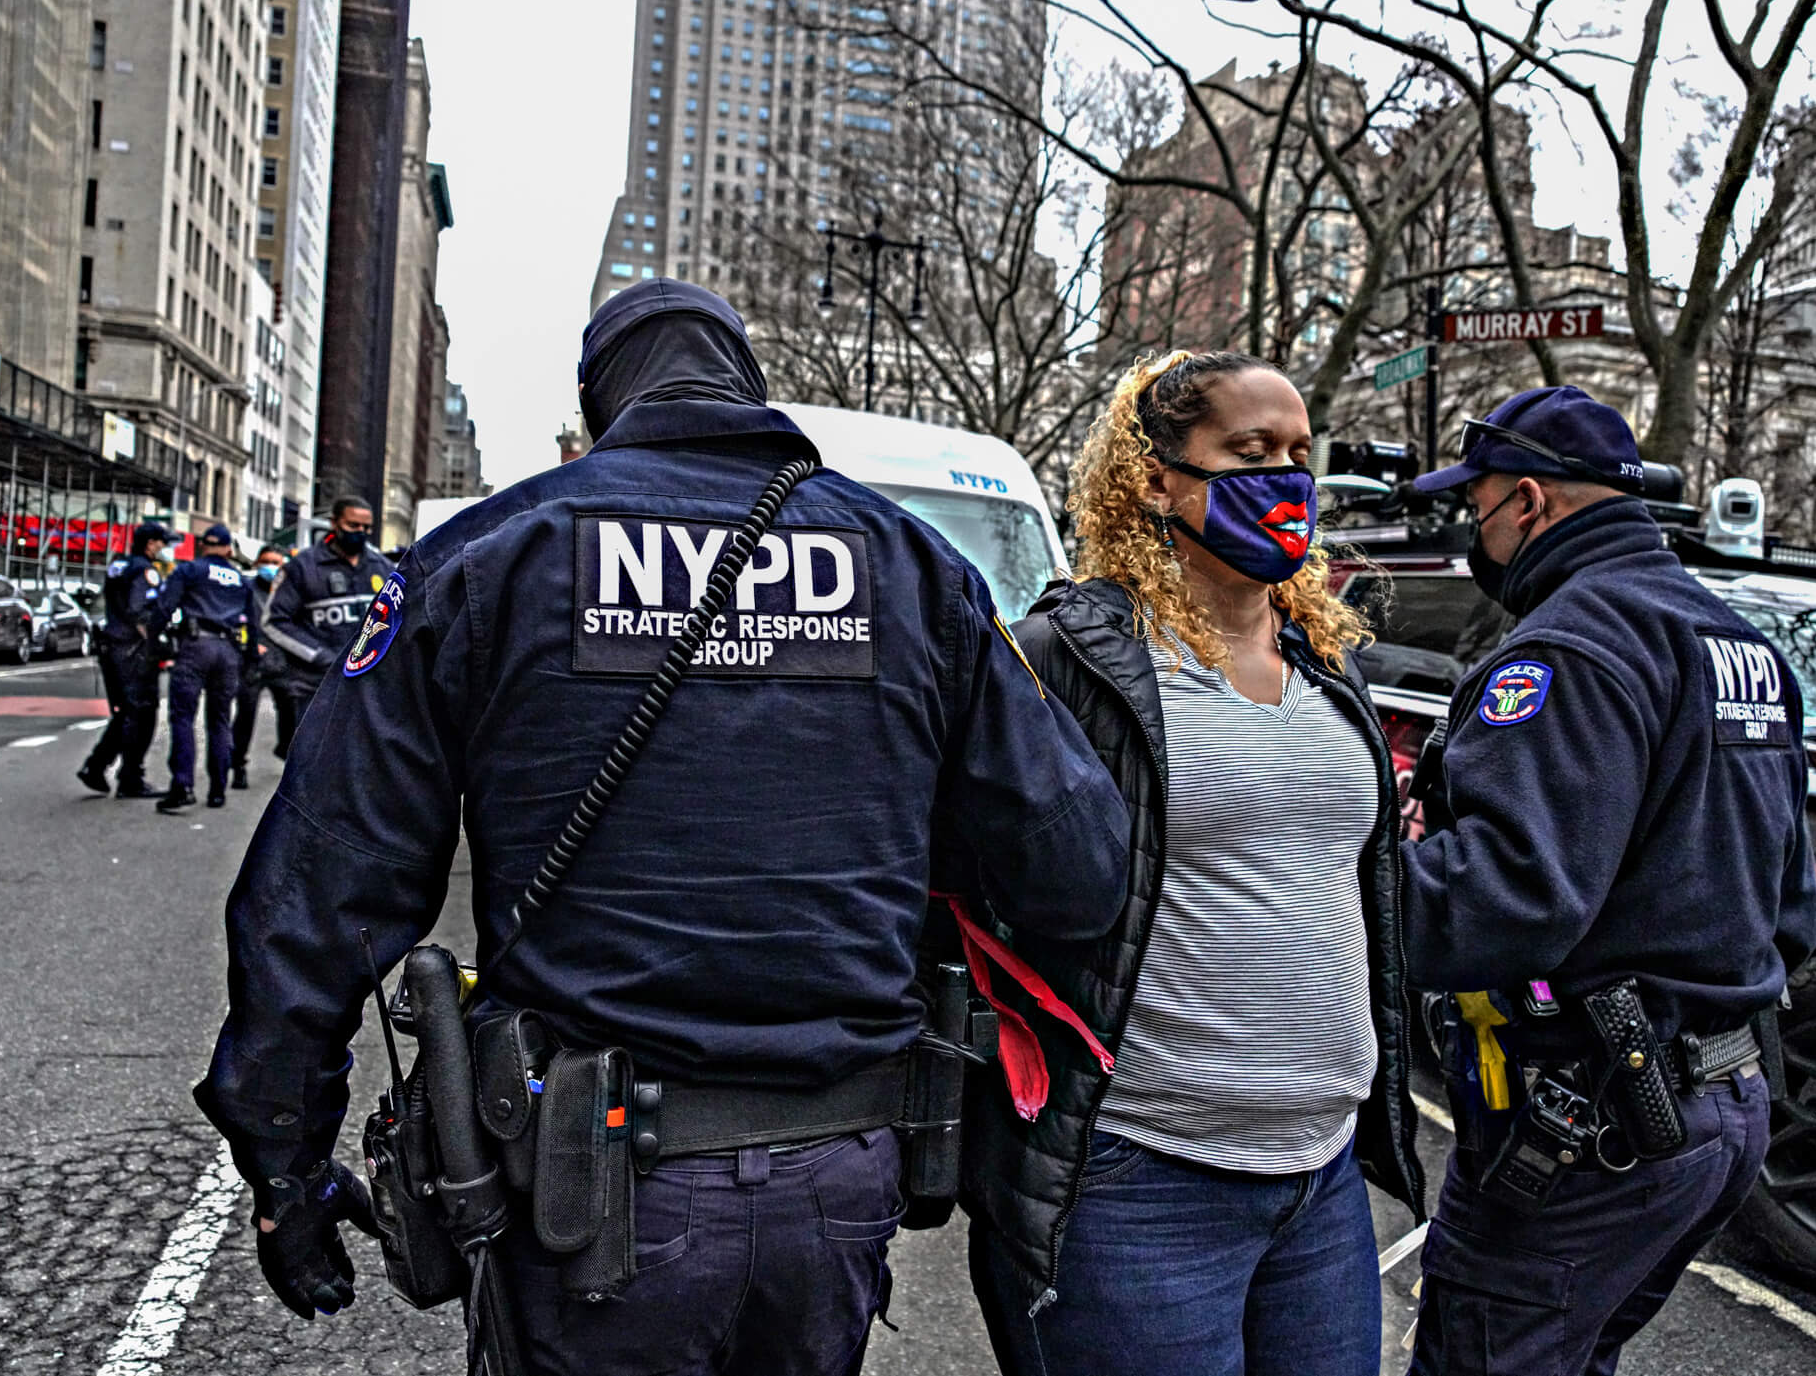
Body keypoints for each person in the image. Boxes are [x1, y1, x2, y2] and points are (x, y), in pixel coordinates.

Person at [192, 280, 1131, 1376]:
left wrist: (285, 1166)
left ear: (602, 404)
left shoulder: (496, 553)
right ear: (748, 385)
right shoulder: (913, 567)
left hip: (591, 1194)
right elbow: (1076, 871)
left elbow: (320, 888)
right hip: (839, 1180)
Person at [963, 350, 1425, 1376]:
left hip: (1319, 1178)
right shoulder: (1064, 661)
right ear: (1155, 479)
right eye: (1249, 452)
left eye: (1299, 455)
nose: (1286, 481)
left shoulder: (1330, 673)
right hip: (1136, 1180)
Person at [1399, 386, 1816, 1376]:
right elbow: (1789, 905)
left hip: (1590, 1124)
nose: (1476, 530)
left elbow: (1498, 906)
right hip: (1718, 1107)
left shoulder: (1567, 647)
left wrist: (1341, 872)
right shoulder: (1736, 645)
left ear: (1530, 503)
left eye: (1480, 504)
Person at [260, 495, 390, 736]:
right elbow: (274, 621)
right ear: (335, 523)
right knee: (312, 766)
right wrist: (319, 656)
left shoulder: (381, 567)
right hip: (316, 687)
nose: (360, 532)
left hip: (367, 688)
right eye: (353, 526)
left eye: (366, 528)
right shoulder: (303, 567)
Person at [156, 522, 258, 812]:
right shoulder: (240, 580)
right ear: (228, 549)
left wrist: (154, 644)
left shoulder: (190, 570)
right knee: (220, 720)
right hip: (228, 651)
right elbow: (252, 623)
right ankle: (217, 789)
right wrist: (250, 659)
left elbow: (165, 607)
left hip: (195, 646)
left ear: (203, 545)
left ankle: (183, 784)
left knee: (183, 717)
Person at [77, 521, 179, 799]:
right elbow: (140, 612)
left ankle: (97, 767)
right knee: (142, 714)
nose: (164, 548)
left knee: (126, 714)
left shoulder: (119, 564)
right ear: (151, 543)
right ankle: (130, 777)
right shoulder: (145, 571)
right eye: (162, 543)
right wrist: (157, 642)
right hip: (133, 652)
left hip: (112, 647)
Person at [230, 545, 289, 789]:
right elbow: (235, 622)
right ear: (256, 564)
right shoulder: (246, 590)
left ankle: (285, 750)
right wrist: (247, 647)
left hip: (282, 662)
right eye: (266, 561)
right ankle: (238, 765)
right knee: (245, 717)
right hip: (253, 663)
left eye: (276, 562)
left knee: (291, 715)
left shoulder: (289, 591)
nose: (271, 567)